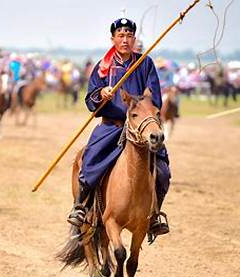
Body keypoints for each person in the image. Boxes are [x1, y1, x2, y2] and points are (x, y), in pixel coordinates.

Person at [66, 18, 171, 239]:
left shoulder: (145, 63)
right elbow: (90, 100)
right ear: (113, 39)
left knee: (163, 171)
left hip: (139, 126)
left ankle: (154, 216)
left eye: (129, 36)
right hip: (111, 127)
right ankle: (80, 207)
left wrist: (140, 105)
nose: (125, 40)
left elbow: (155, 97)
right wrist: (101, 94)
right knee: (90, 161)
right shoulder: (102, 67)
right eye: (121, 36)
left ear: (134, 39)